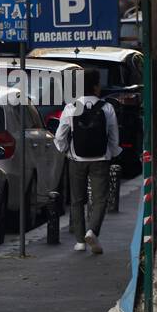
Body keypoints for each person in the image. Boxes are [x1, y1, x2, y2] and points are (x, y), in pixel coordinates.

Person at [53, 71, 121, 254]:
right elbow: (114, 136)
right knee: (100, 199)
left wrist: (66, 150)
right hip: (100, 159)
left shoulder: (71, 107)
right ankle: (92, 231)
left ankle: (80, 241)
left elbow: (60, 136)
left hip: (76, 159)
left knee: (77, 200)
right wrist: (112, 153)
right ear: (95, 86)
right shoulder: (107, 108)